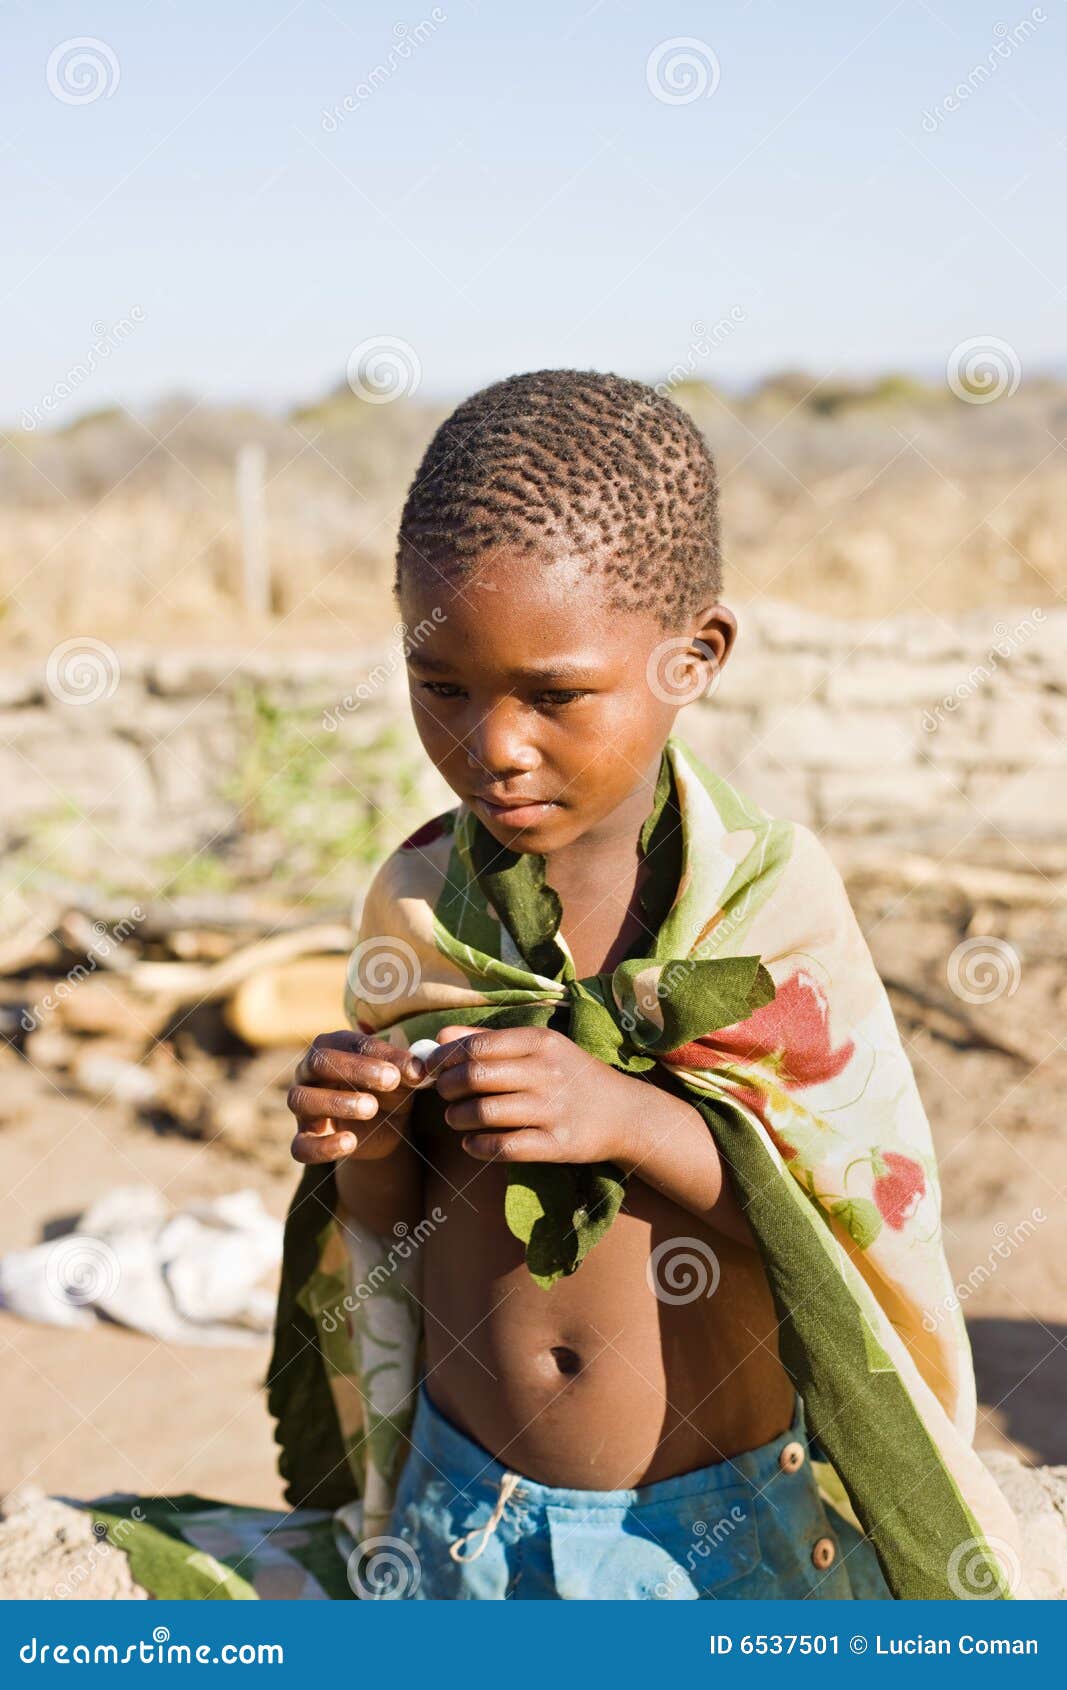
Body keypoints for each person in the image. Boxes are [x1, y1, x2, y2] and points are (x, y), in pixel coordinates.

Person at [274, 369, 1023, 1601]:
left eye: (554, 694)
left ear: (693, 657)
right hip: (458, 1518)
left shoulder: (763, 909)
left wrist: (630, 1120)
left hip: (710, 1542)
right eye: (440, 685)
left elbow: (845, 1229)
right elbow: (395, 1228)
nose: (492, 745)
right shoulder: (417, 901)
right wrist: (364, 1133)